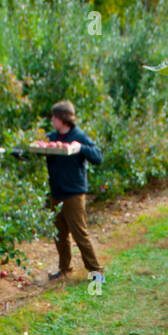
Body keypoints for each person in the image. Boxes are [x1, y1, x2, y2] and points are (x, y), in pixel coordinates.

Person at [43, 99, 105, 285]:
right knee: (59, 234)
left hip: (74, 194)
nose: (52, 119)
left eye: (55, 116)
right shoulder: (52, 137)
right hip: (57, 192)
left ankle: (96, 272)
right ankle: (64, 269)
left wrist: (81, 148)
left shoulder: (78, 136)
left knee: (79, 234)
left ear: (63, 119)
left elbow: (98, 157)